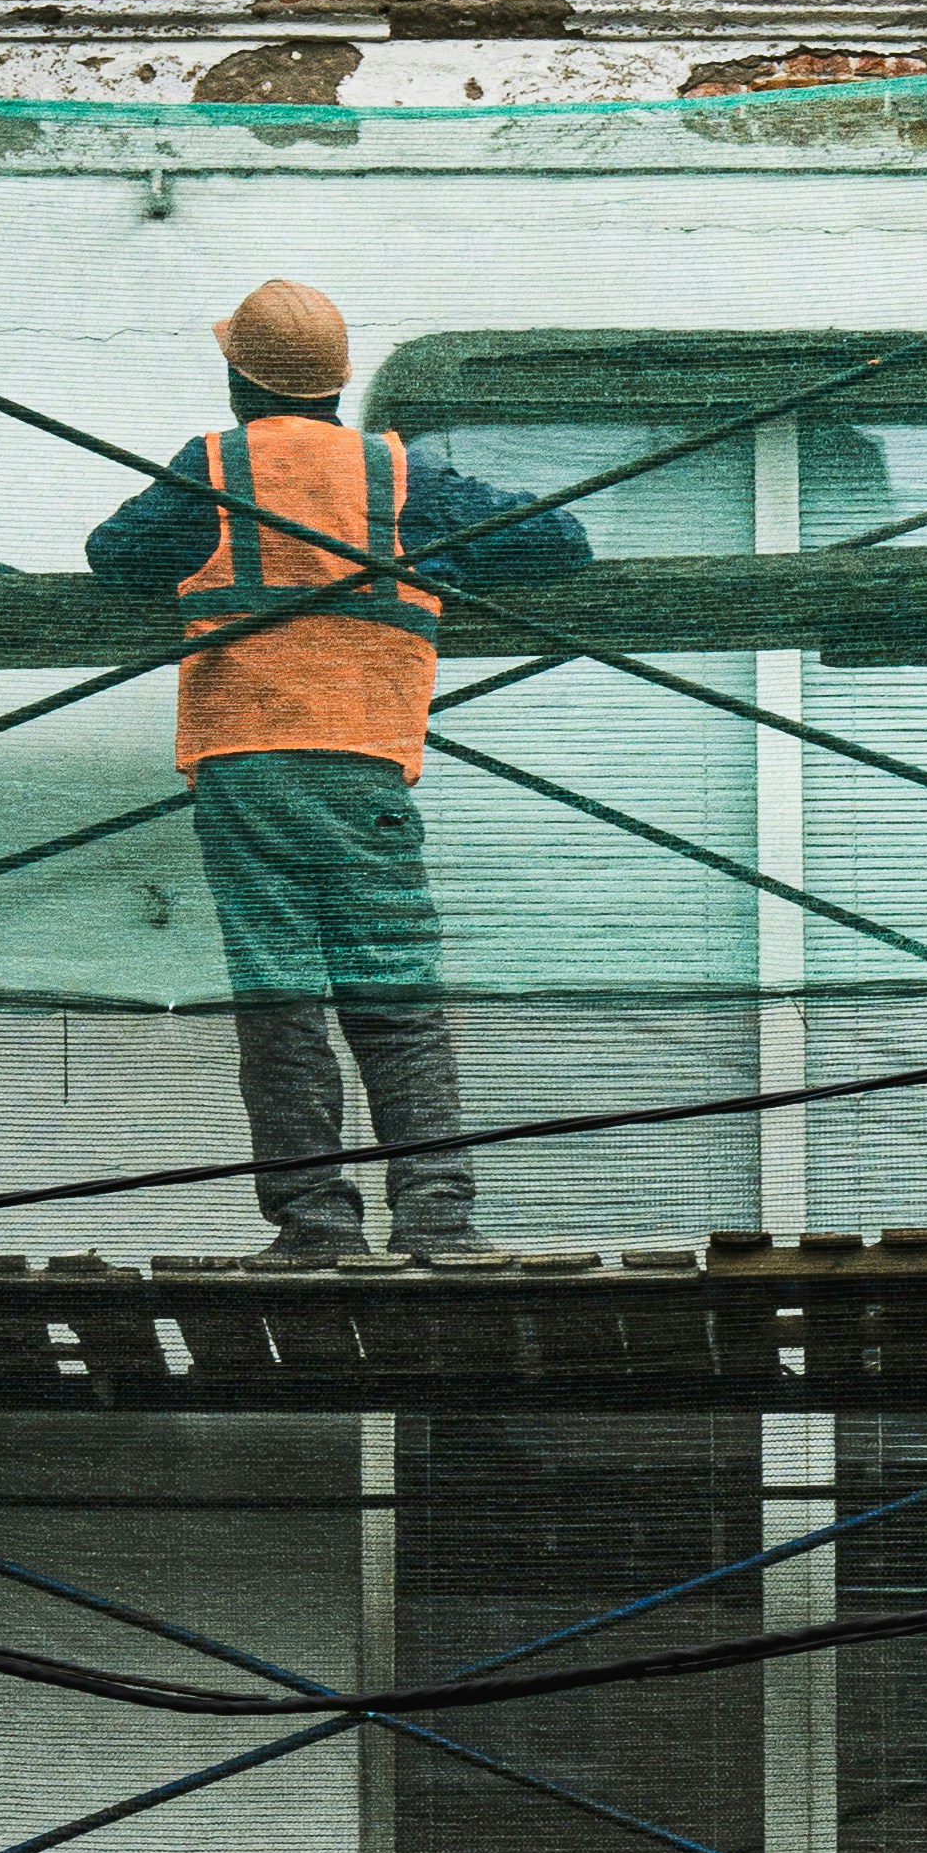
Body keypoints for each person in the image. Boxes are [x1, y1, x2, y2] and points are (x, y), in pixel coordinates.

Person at [83, 277, 593, 1266]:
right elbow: (557, 544)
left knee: (281, 1007)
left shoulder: (216, 467)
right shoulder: (401, 479)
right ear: (339, 383)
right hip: (364, 768)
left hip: (248, 770)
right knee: (396, 1000)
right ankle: (439, 1221)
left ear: (239, 382)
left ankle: (317, 1228)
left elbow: (117, 558)